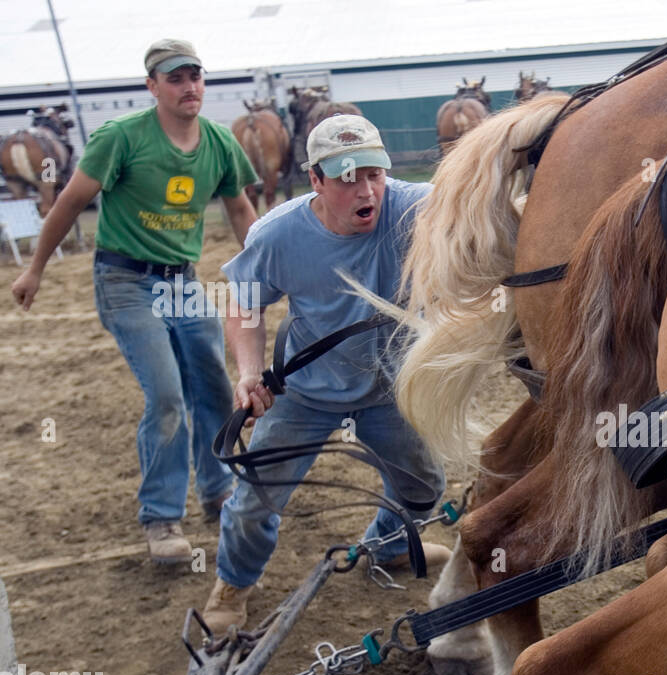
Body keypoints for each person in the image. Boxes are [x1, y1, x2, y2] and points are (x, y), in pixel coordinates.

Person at [11, 39, 259, 564]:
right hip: (124, 279)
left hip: (183, 282)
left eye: (195, 76)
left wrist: (269, 267)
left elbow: (240, 210)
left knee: (213, 386)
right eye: (175, 78)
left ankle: (217, 492)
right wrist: (34, 268)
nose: (189, 86)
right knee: (167, 394)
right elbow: (70, 202)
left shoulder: (218, 142)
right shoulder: (120, 138)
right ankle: (162, 517)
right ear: (152, 86)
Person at [203, 114, 449, 632]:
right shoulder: (278, 235)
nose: (366, 191)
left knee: (424, 487)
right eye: (346, 178)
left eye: (374, 174)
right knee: (255, 497)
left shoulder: (415, 207)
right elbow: (242, 302)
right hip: (306, 389)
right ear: (315, 179)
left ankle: (385, 547)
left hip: (388, 387)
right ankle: (232, 582)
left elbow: (477, 207)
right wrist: (249, 372)